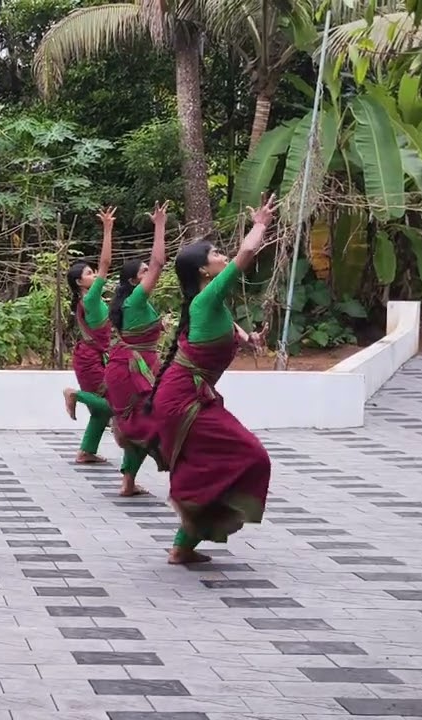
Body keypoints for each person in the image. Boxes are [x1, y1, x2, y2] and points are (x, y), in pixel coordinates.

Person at [144, 195, 276, 565]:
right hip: (183, 399)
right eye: (215, 253)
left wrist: (251, 339)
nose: (221, 255)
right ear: (204, 271)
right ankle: (185, 525)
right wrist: (260, 223)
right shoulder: (207, 298)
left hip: (191, 396)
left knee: (220, 461)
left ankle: (183, 546)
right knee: (248, 455)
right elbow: (246, 254)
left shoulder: (209, 303)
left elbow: (229, 332)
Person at [103, 202, 170, 497]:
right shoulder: (137, 300)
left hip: (134, 366)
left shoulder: (136, 304)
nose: (149, 272)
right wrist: (160, 226)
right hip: (133, 370)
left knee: (139, 425)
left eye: (146, 270)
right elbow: (159, 263)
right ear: (134, 281)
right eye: (143, 271)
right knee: (148, 424)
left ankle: (128, 483)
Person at [62, 207, 116, 464]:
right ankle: (74, 394)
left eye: (92, 272)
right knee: (112, 404)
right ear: (79, 283)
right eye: (88, 274)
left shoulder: (88, 299)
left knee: (100, 410)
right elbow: (106, 264)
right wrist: (107, 229)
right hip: (89, 359)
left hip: (90, 356)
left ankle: (86, 452)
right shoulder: (92, 298)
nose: (94, 275)